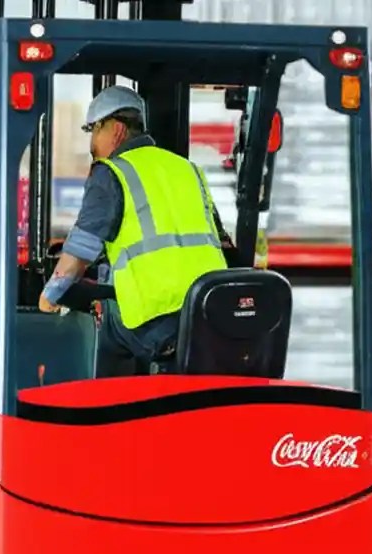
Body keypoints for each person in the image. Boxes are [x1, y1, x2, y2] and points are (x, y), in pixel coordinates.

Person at [38, 85, 235, 375]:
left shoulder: (111, 172)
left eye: (94, 129)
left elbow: (77, 257)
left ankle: (101, 408)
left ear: (116, 129)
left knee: (98, 320)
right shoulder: (188, 169)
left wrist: (48, 298)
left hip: (154, 323)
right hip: (207, 314)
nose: (92, 141)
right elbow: (220, 242)